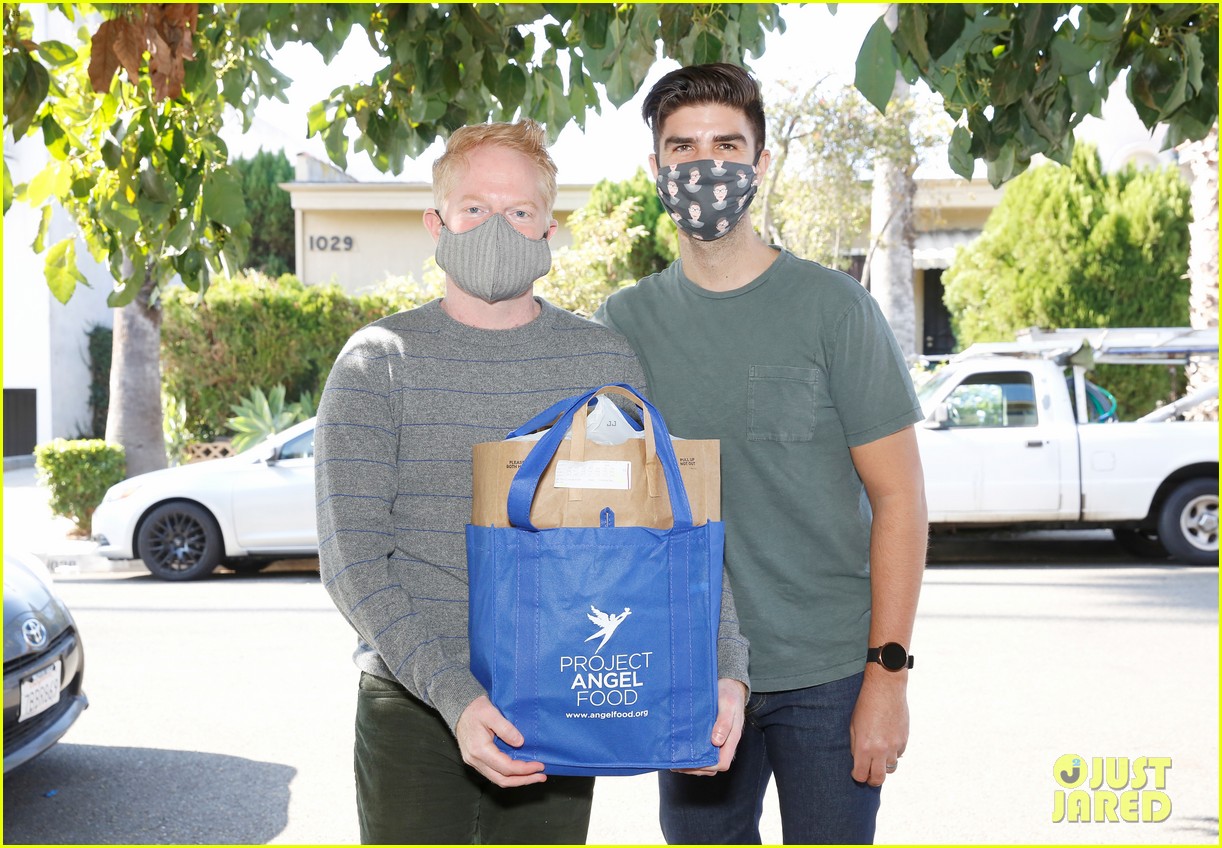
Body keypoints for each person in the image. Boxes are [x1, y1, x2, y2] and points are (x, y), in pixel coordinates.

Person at [315, 118, 749, 844]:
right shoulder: (378, 362)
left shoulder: (600, 360)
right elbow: (354, 564)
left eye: (519, 212)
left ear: (549, 228)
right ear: (437, 222)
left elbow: (673, 532)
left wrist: (726, 669)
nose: (497, 227)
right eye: (475, 209)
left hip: (562, 696)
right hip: (415, 707)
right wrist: (454, 698)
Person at [595, 63, 928, 845]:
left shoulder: (833, 310)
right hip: (694, 674)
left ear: (760, 163)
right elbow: (611, 508)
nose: (702, 164)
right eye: (681, 147)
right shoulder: (623, 323)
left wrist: (889, 675)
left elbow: (902, 500)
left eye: (725, 143)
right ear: (656, 169)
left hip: (831, 672)